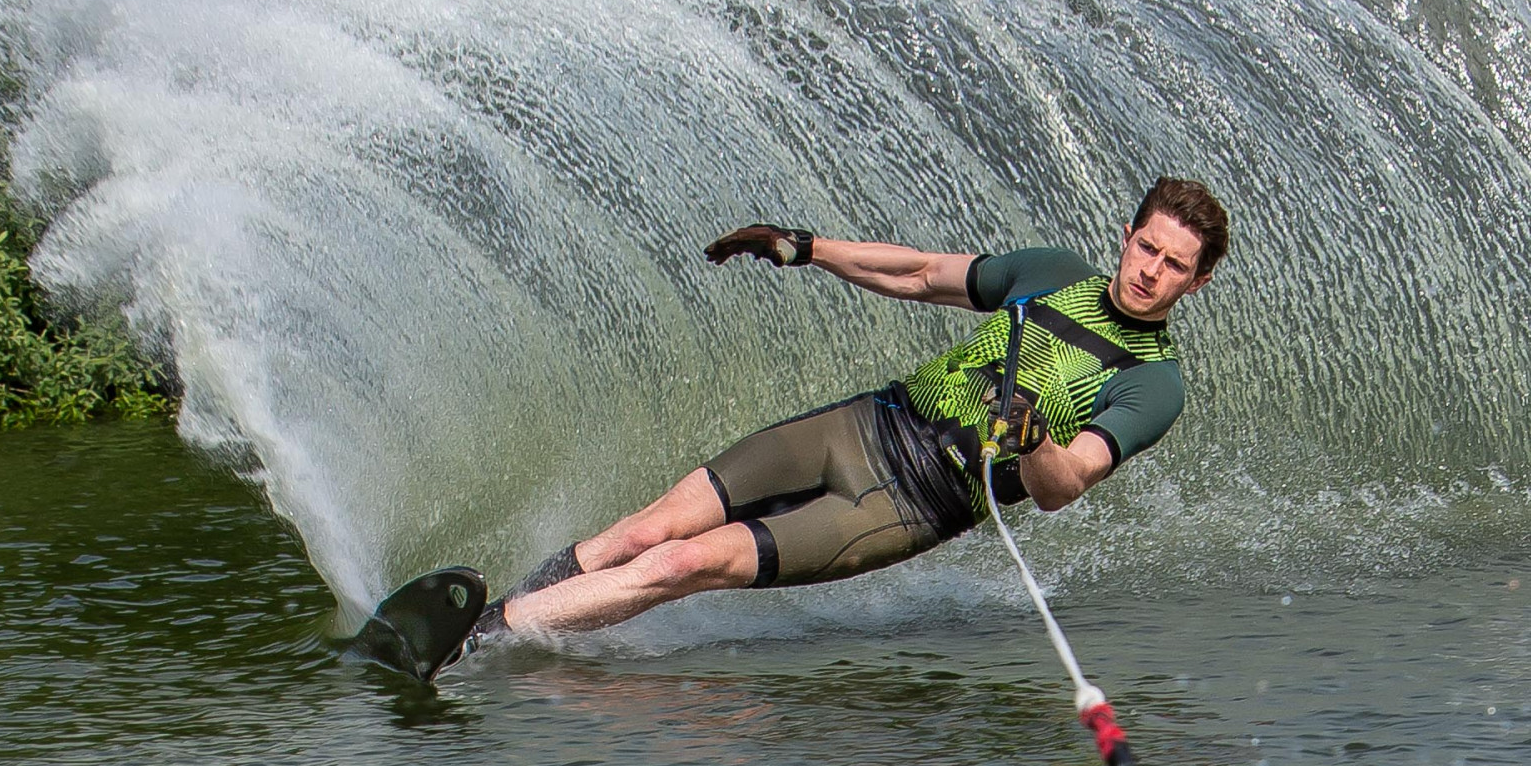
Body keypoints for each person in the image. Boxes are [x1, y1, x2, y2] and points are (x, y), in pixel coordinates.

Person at [466, 176, 1229, 650]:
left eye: (1174, 267)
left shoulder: (1153, 383)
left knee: (686, 562)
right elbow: (923, 274)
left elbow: (1066, 484)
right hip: (866, 424)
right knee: (646, 529)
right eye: (1147, 249)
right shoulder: (1052, 273)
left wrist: (1034, 437)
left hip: (911, 502)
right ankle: (496, 612)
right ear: (1127, 236)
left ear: (1194, 285)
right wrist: (807, 248)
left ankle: (484, 642)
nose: (1151, 272)